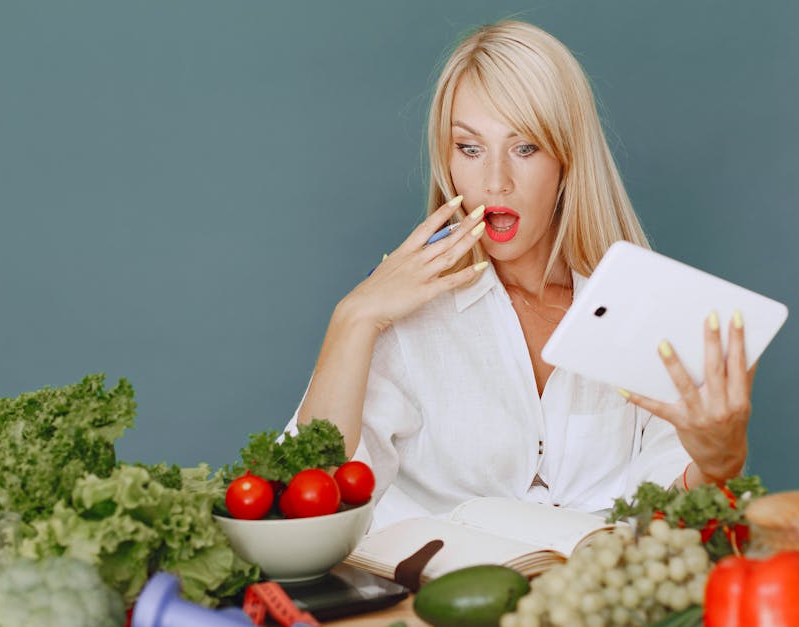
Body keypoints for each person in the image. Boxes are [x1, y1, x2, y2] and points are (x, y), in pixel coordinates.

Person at [286, 20, 754, 530]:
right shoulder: (400, 318)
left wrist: (718, 462)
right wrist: (353, 317)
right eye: (469, 148)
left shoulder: (641, 309)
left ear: (566, 160)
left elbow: (676, 513)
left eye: (524, 147)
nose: (494, 182)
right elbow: (305, 500)